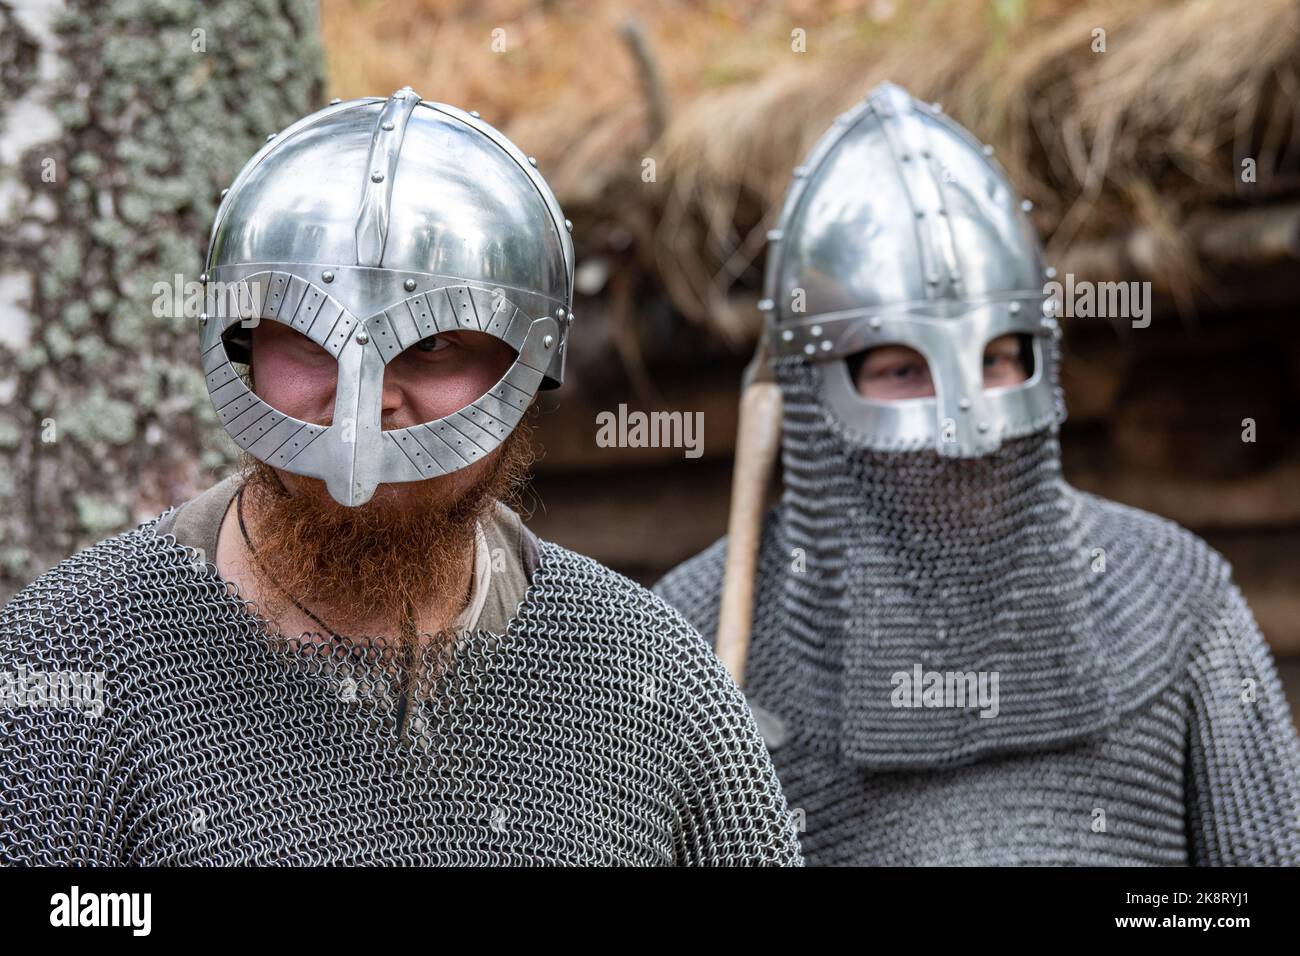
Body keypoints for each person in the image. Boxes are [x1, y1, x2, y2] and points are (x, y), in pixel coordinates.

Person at [0, 89, 802, 867]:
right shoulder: (71, 663)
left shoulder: (649, 682)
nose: (369, 401)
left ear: (530, 364)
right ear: (242, 346)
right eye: (311, 340)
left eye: (435, 346)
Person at [655, 83, 1300, 866]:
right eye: (902, 371)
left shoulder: (1171, 600)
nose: (964, 428)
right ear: (810, 385)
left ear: (1041, 354)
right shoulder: (686, 644)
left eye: (996, 361)